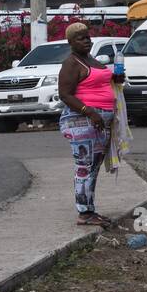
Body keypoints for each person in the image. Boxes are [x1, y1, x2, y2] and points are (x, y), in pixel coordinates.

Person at [57, 22, 123, 226]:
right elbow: (65, 94)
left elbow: (100, 81)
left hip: (99, 120)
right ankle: (84, 212)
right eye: (80, 38)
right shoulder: (71, 63)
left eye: (87, 37)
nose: (86, 41)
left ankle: (89, 210)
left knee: (93, 166)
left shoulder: (90, 59)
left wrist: (116, 77)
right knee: (84, 166)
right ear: (70, 42)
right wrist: (89, 112)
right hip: (82, 120)